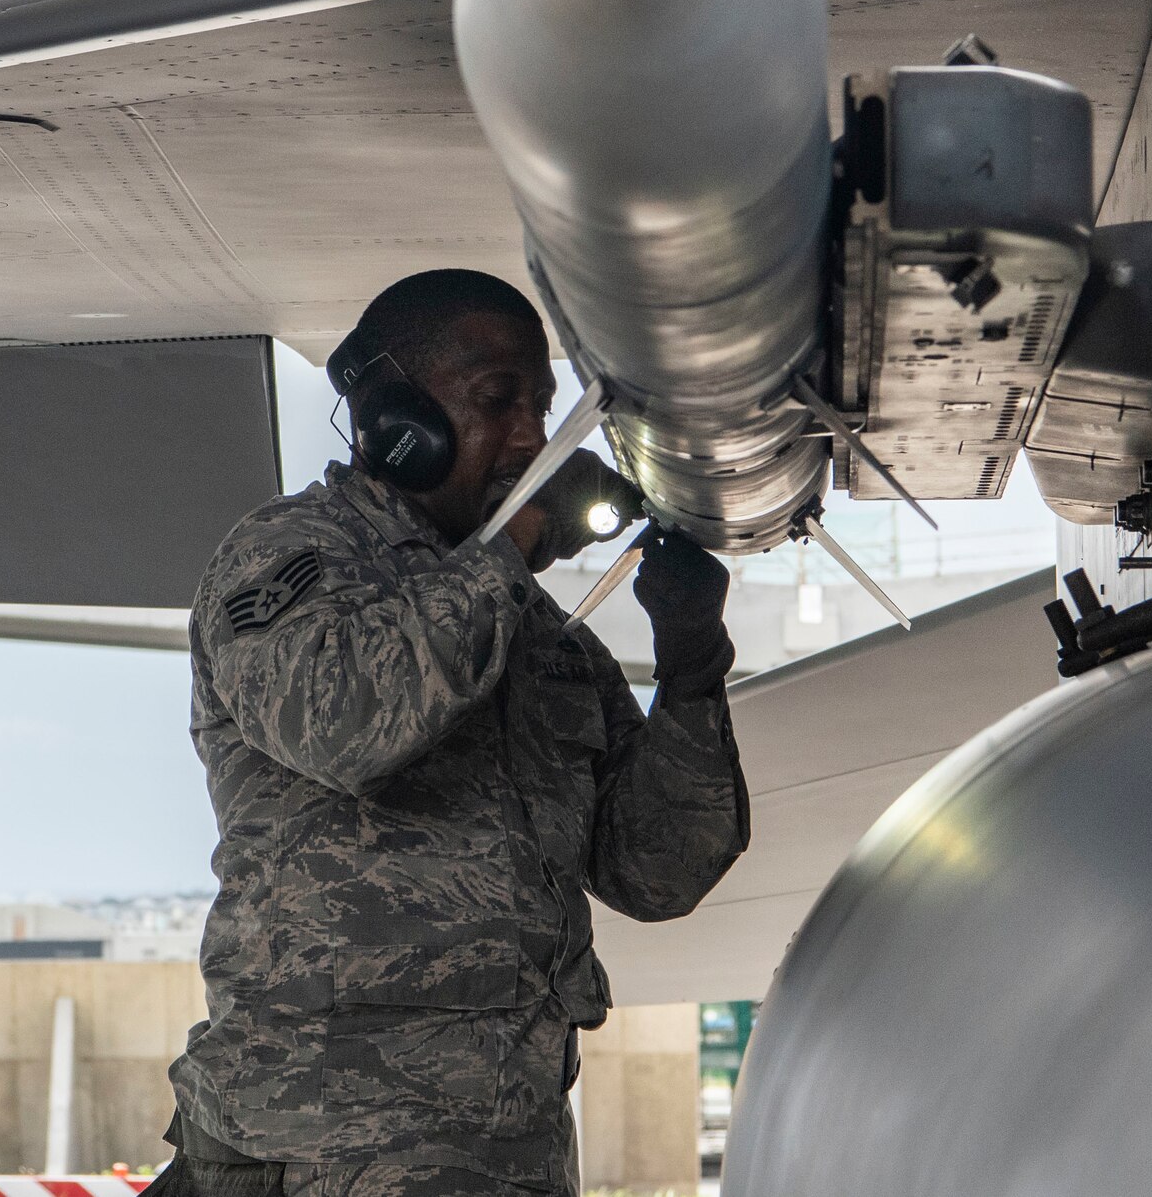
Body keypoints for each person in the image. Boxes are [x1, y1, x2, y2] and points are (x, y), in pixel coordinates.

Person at [158, 269, 749, 1197]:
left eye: (541, 407)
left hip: (505, 1151)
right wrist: (509, 550)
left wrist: (691, 664)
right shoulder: (290, 556)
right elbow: (343, 723)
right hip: (322, 1147)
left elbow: (657, 869)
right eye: (498, 400)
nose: (530, 437)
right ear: (402, 421)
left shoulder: (533, 628)